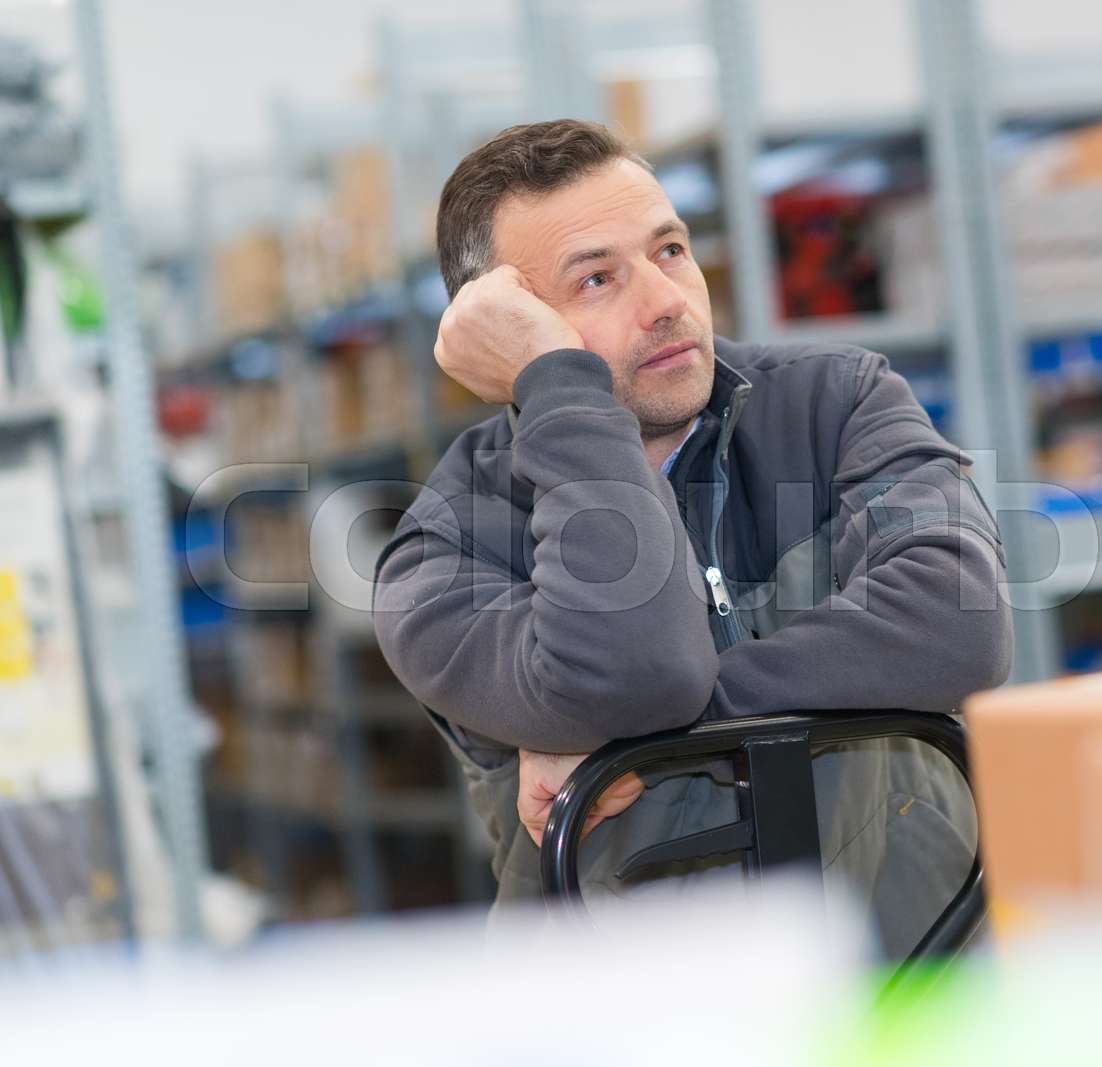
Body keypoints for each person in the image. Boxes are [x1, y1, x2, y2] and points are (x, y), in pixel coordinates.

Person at [372, 119, 1012, 955]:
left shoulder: (837, 404)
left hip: (916, 990)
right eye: (597, 278)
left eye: (670, 250)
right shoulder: (445, 548)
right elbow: (643, 669)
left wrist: (655, 728)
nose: (667, 300)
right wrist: (562, 392)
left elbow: (959, 623)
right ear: (507, 330)